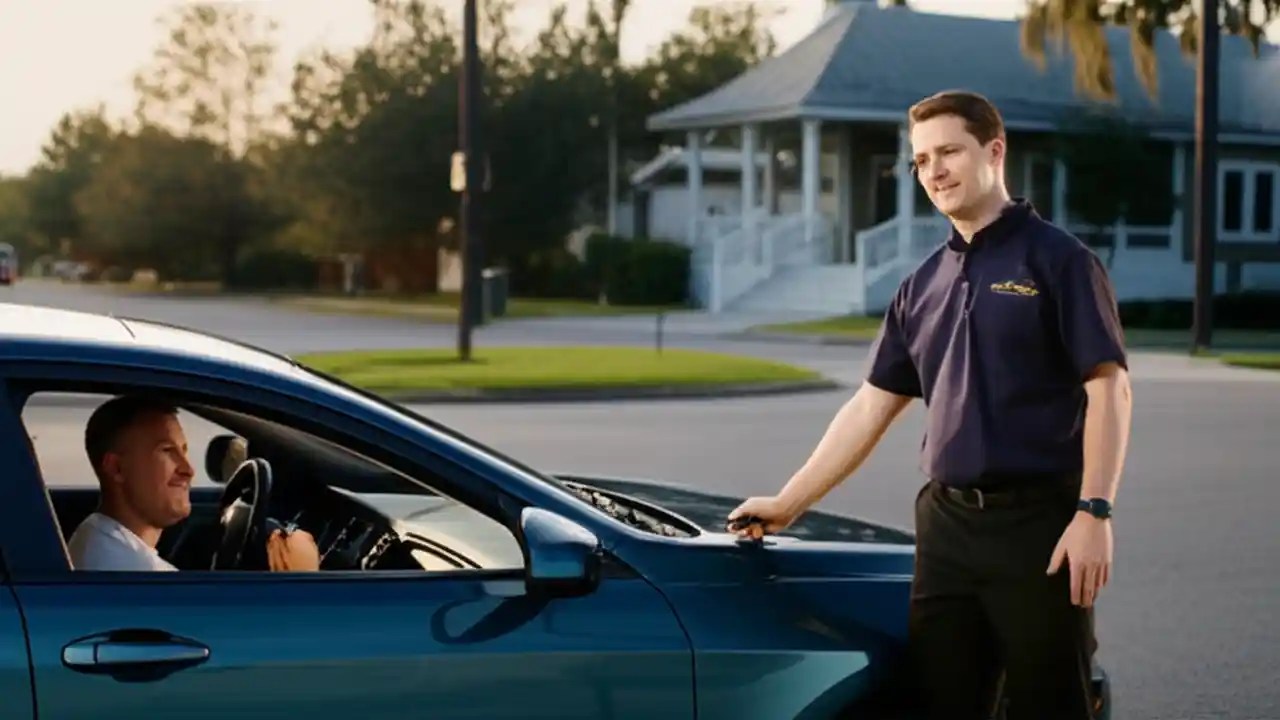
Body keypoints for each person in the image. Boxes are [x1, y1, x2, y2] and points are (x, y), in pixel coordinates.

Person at [727, 90, 1132, 720]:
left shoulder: (1061, 262)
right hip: (946, 529)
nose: (933, 171)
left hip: (1040, 527)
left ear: (994, 152)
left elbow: (1110, 389)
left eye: (948, 152)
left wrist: (1094, 512)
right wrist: (788, 502)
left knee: (1052, 705)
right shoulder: (920, 285)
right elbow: (870, 407)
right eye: (920, 160)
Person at [66, 394, 321, 573]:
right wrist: (295, 570)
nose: (188, 470)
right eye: (167, 451)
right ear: (117, 468)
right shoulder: (134, 574)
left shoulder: (95, 537)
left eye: (184, 450)